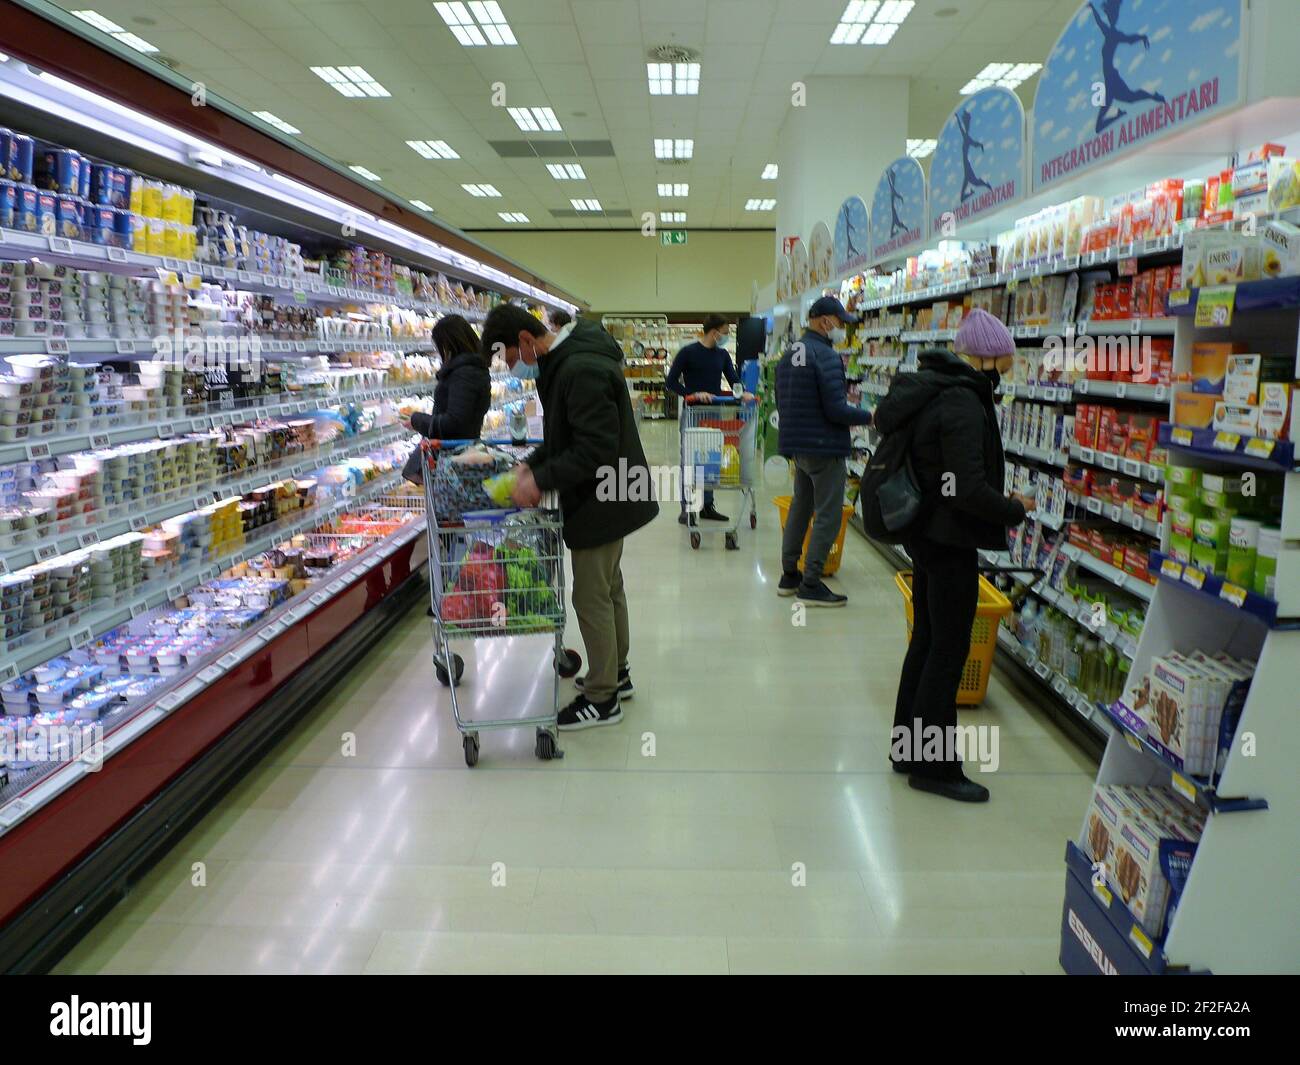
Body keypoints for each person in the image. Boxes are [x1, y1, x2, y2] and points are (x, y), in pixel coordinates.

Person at [873, 308, 1035, 803]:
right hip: (949, 540)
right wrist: (1013, 508)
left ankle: (908, 748)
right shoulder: (963, 402)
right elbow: (966, 488)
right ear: (984, 358)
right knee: (947, 651)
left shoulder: (933, 387)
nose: (1004, 377)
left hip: (925, 534)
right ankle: (936, 768)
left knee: (926, 641)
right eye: (1003, 367)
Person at [480, 304, 658, 731]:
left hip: (604, 496)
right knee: (609, 587)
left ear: (526, 340)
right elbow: (567, 437)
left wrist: (539, 480)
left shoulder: (577, 370)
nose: (511, 368)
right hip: (613, 490)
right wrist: (531, 465)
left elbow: (594, 448)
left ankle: (602, 699)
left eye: (508, 358)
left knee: (591, 594)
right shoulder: (568, 362)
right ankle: (616, 674)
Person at [774, 295, 871, 607]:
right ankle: (811, 583)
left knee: (801, 508)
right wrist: (869, 416)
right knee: (828, 515)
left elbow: (783, 400)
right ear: (824, 321)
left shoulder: (791, 352)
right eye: (839, 322)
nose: (841, 328)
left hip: (798, 445)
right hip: (824, 447)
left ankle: (790, 574)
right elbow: (835, 409)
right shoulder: (825, 355)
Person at [664, 314, 740, 524]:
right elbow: (671, 382)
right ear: (714, 333)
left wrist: (744, 392)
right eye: (725, 333)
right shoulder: (688, 353)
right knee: (689, 461)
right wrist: (693, 394)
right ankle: (686, 507)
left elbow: (734, 380)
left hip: (713, 415)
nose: (726, 336)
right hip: (692, 414)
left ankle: (707, 506)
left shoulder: (723, 355)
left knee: (711, 460)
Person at [401, 313, 491, 481]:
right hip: (463, 454)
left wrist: (417, 420)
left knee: (450, 505)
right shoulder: (476, 369)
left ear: (448, 345)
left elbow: (454, 423)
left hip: (454, 460)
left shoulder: (464, 374)